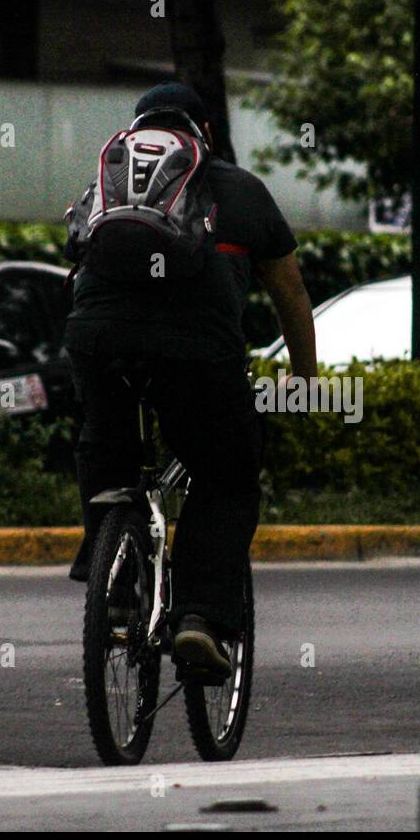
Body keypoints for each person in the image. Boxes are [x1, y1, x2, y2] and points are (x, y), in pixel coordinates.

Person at [62, 82, 317, 678]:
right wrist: (304, 381)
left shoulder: (106, 183)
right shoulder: (242, 192)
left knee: (107, 443)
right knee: (226, 470)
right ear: (206, 131)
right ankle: (200, 618)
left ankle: (116, 582)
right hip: (198, 355)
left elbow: (76, 268)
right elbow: (291, 294)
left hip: (99, 342)